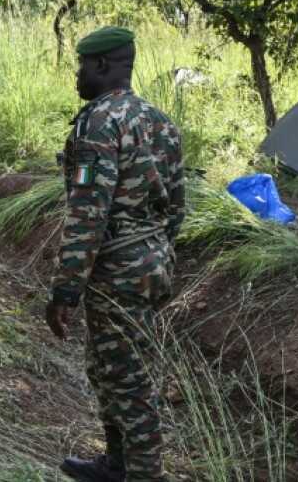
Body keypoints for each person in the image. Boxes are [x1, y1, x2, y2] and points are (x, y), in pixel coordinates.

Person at [44, 26, 186, 482]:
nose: (77, 75)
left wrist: (65, 290)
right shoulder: (159, 120)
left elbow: (88, 215)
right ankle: (118, 464)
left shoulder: (98, 122)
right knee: (109, 367)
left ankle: (144, 473)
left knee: (127, 380)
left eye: (82, 65)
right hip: (153, 261)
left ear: (102, 65)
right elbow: (177, 207)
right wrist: (151, 251)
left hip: (118, 270)